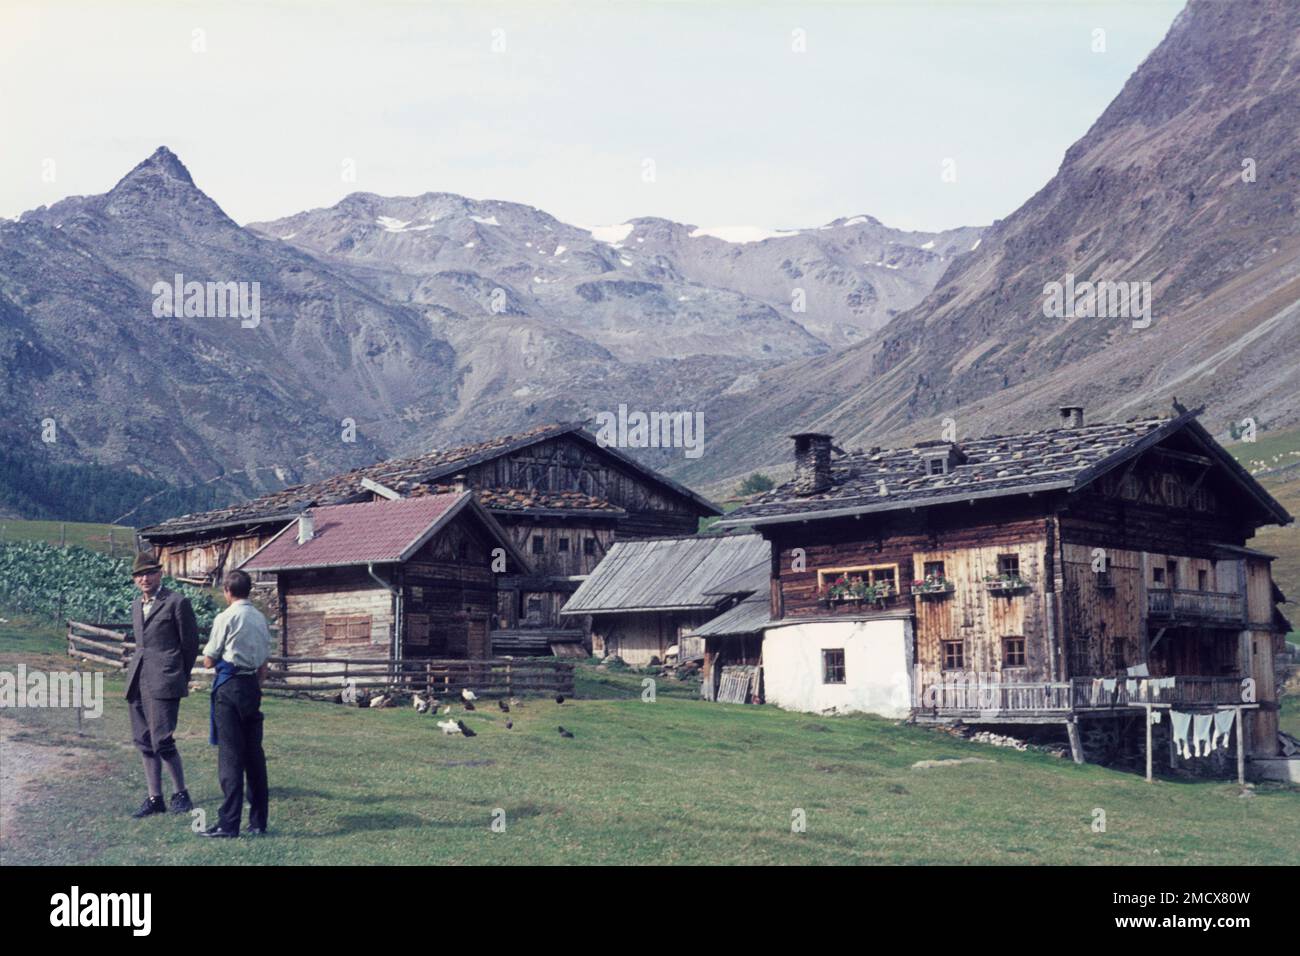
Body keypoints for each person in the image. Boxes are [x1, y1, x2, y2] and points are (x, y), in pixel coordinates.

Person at [124, 551, 199, 818]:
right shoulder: (136, 606)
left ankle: (181, 793)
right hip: (138, 680)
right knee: (143, 740)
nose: (144, 578)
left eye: (149, 573)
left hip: (164, 680)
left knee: (162, 740)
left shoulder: (177, 603)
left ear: (160, 574)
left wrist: (178, 674)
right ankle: (155, 798)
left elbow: (190, 645)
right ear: (134, 579)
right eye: (139, 575)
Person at [199, 569, 272, 838]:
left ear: (228, 591)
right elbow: (264, 662)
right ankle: (258, 822)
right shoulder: (261, 619)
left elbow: (209, 659)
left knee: (230, 756)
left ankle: (228, 824)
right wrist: (255, 687)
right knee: (254, 756)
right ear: (249, 590)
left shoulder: (226, 617)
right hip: (252, 685)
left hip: (229, 686)